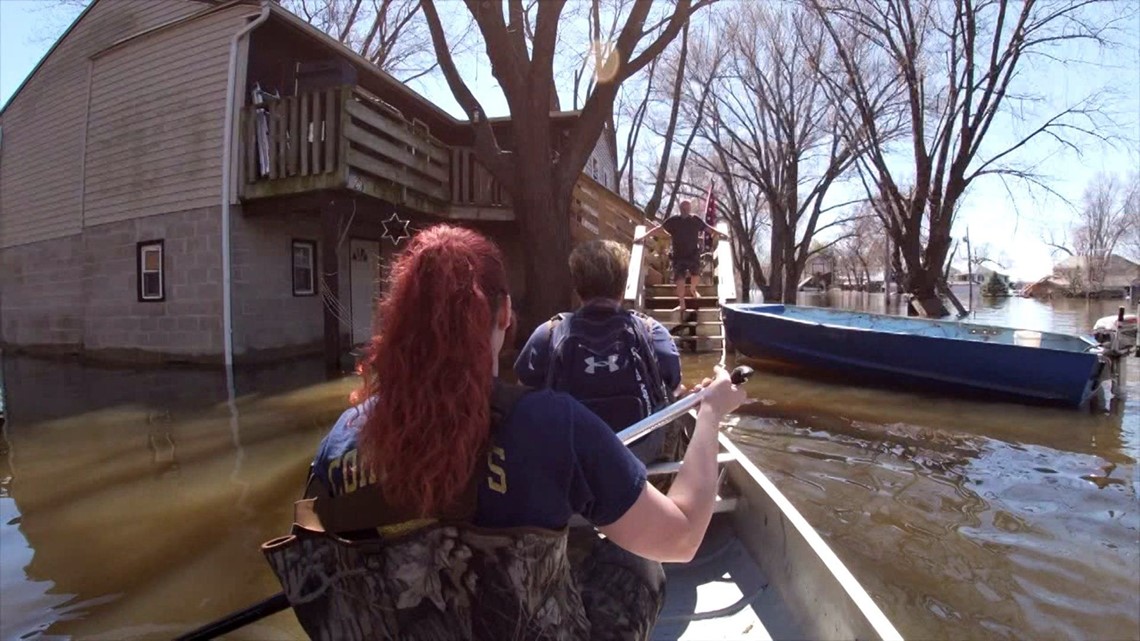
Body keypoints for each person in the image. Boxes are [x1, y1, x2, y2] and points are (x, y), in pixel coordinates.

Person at [260, 224, 747, 641]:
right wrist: (709, 415)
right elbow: (682, 538)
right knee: (639, 563)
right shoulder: (552, 424)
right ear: (505, 314)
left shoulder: (341, 437)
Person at [514, 239, 682, 465]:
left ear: (577, 287)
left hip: (570, 454)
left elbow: (522, 393)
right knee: (674, 398)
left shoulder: (548, 333)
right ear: (623, 286)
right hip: (639, 451)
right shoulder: (652, 331)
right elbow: (673, 382)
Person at [636, 200, 729, 318]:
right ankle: (682, 303)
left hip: (693, 254)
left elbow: (708, 228)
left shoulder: (695, 220)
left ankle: (693, 289)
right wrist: (644, 236)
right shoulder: (673, 221)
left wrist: (721, 233)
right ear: (680, 209)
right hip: (678, 256)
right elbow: (659, 229)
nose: (685, 209)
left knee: (696, 276)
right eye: (683, 208)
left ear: (690, 208)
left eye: (687, 207)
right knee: (680, 279)